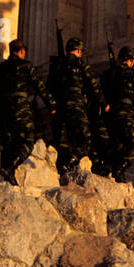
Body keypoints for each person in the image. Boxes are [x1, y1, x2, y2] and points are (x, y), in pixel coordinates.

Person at [0, 39, 53, 182]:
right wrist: (52, 106)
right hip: (20, 109)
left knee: (8, 142)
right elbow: (39, 87)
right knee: (28, 140)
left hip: (2, 111)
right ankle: (11, 167)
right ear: (22, 51)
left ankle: (7, 177)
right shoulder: (25, 66)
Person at [48, 37, 104, 173]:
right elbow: (93, 87)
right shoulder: (80, 64)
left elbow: (48, 86)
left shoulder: (56, 65)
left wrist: (52, 106)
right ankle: (73, 158)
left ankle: (63, 168)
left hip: (59, 108)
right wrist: (104, 103)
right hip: (76, 107)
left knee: (63, 142)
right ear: (78, 51)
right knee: (85, 140)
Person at [100, 45, 134, 183]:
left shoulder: (107, 74)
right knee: (133, 146)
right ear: (130, 60)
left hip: (109, 117)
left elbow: (99, 95)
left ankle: (116, 174)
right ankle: (120, 168)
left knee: (116, 146)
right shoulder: (132, 74)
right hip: (125, 115)